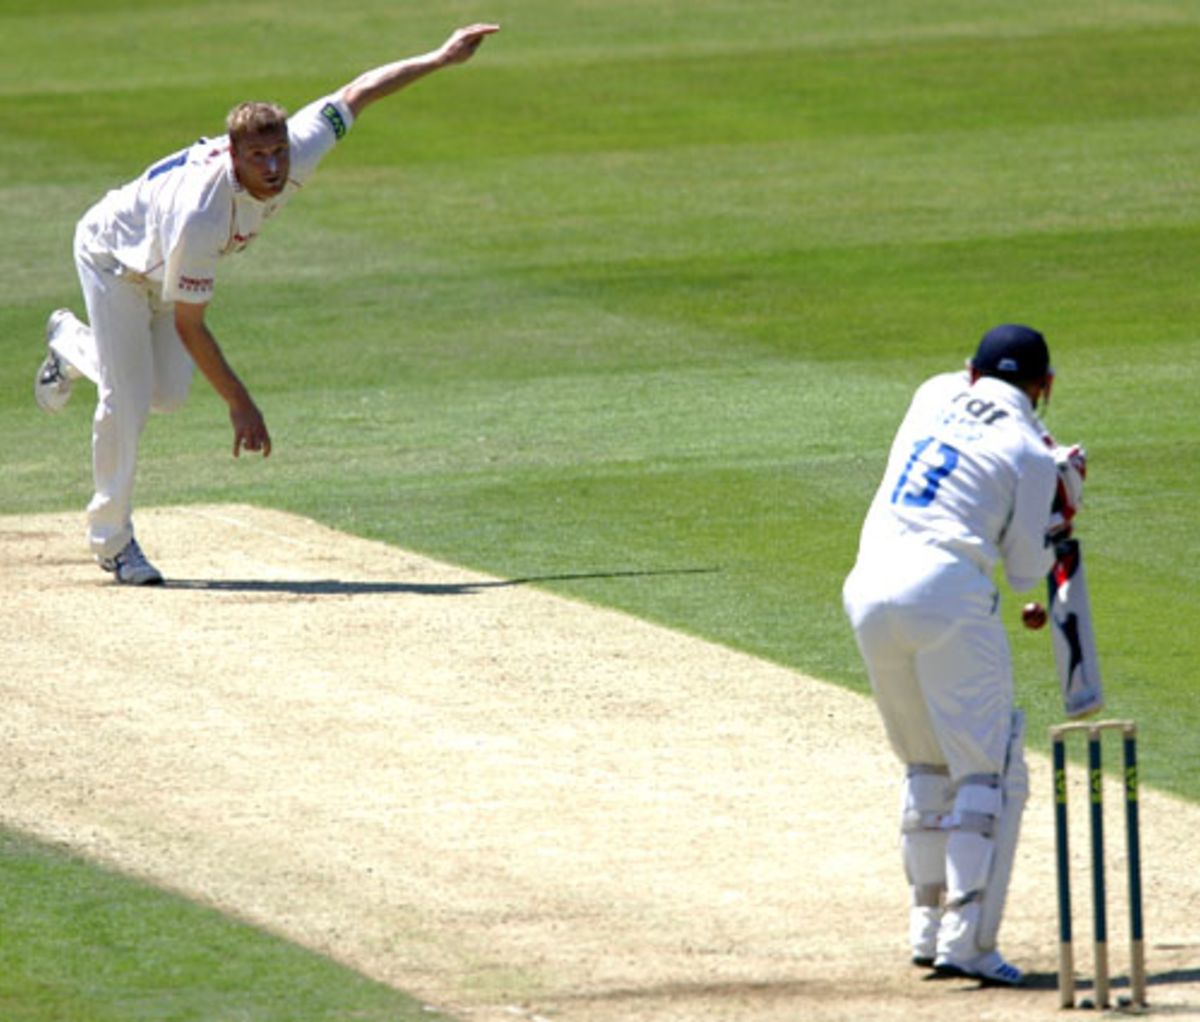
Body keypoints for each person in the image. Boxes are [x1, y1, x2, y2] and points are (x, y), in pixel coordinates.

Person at [33, 23, 500, 584]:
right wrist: (240, 401)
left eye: (279, 152)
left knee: (166, 395)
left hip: (162, 267)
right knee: (126, 401)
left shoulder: (300, 148)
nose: (275, 168)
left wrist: (442, 57)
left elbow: (359, 93)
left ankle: (68, 341)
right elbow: (191, 326)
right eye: (259, 157)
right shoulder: (201, 214)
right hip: (114, 259)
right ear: (233, 155)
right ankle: (113, 541)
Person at [842, 324, 1085, 986]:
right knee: (990, 770)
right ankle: (969, 942)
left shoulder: (931, 394)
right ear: (1047, 387)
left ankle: (926, 928)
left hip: (867, 588)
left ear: (971, 370)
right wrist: (1063, 506)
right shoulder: (1030, 453)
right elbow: (1029, 573)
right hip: (946, 591)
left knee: (925, 763)